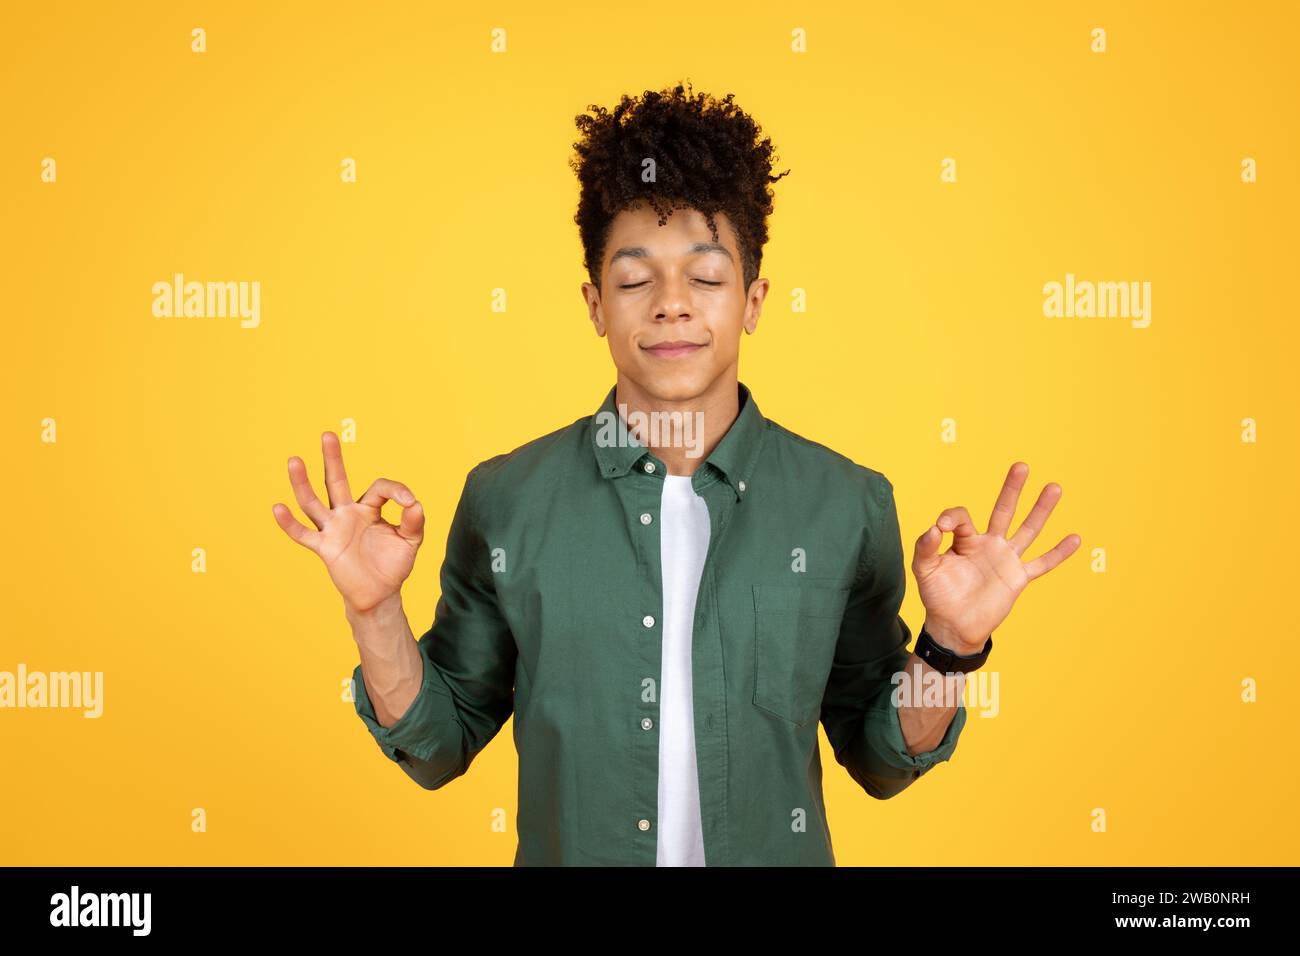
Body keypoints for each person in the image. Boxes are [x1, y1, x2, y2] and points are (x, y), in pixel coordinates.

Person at [272, 80, 1080, 866]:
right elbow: (437, 748)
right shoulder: (506, 499)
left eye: (705, 276)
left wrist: (949, 646)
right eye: (634, 279)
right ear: (595, 304)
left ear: (754, 300)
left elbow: (880, 758)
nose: (670, 304)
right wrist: (374, 611)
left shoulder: (846, 504)